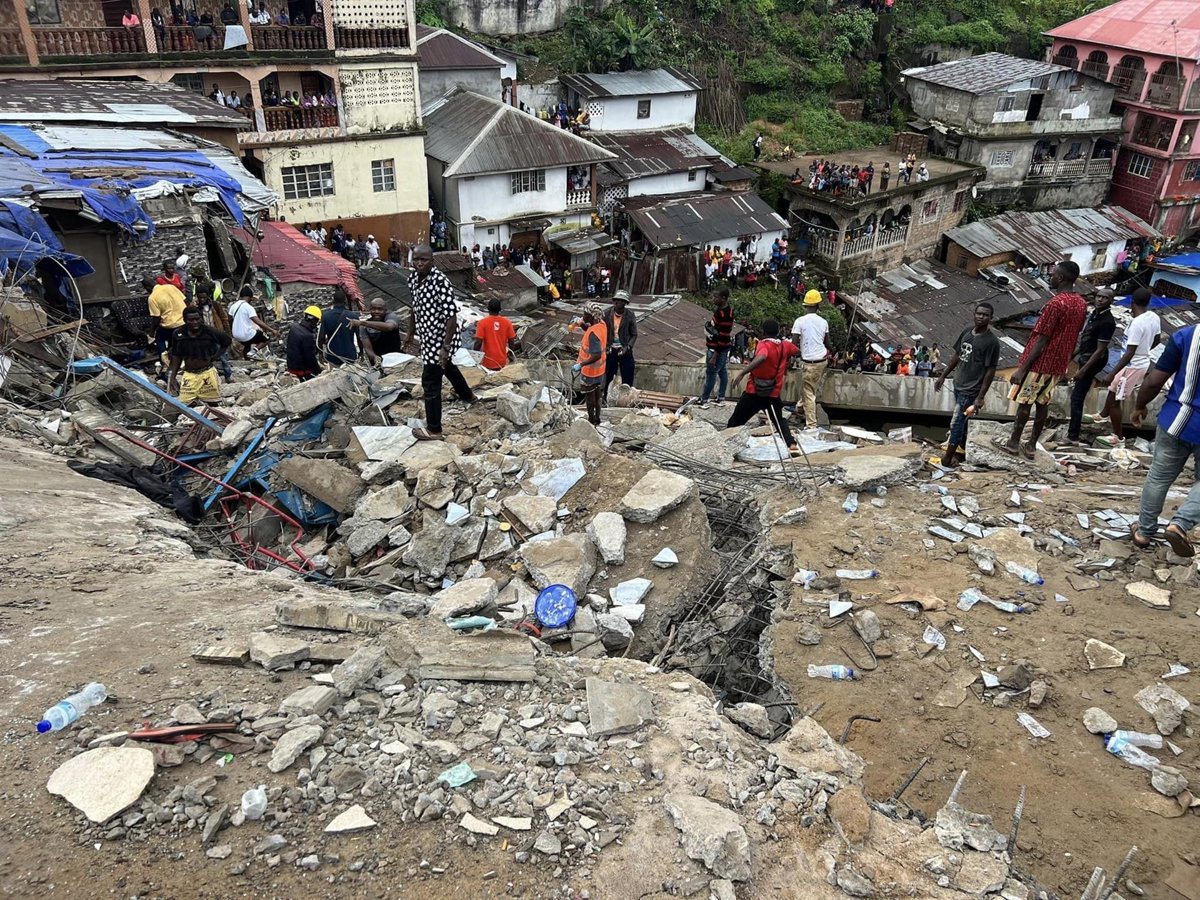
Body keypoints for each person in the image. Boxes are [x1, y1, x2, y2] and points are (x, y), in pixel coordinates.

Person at [1005, 261, 1088, 459]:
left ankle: (1014, 442)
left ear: (1060, 278)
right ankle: (1032, 444)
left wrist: (1022, 368)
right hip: (1058, 364)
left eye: (1053, 275)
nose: (1051, 277)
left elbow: (1042, 337)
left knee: (1025, 402)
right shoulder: (1081, 303)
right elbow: (1076, 334)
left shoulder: (1055, 304)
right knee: (1042, 403)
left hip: (1040, 362)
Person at [1130, 323, 1200, 556]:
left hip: (1176, 420)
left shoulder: (1187, 336)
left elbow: (1154, 380)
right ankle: (1179, 525)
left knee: (1159, 477)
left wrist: (1140, 406)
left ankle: (1144, 532)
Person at [405, 244, 477, 440]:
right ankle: (468, 396)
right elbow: (415, 307)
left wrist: (445, 348)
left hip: (441, 338)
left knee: (430, 381)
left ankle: (434, 429)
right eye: (416, 259)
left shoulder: (440, 281)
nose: (419, 263)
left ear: (432, 261)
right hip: (427, 337)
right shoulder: (412, 279)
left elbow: (451, 317)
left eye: (424, 260)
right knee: (448, 368)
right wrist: (410, 333)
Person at [934, 302, 1000, 468]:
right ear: (974, 314)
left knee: (956, 423)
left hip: (971, 390)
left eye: (985, 315)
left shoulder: (991, 342)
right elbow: (957, 355)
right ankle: (962, 451)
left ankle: (947, 460)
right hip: (959, 383)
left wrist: (980, 397)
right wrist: (943, 376)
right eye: (979, 314)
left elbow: (990, 370)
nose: (981, 317)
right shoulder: (966, 332)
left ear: (990, 318)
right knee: (963, 422)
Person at [1096, 288, 1161, 448]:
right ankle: (1103, 415)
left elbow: (1129, 353)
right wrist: (1144, 351)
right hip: (1138, 362)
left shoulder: (1136, 324)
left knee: (1116, 400)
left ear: (1132, 302)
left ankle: (1118, 437)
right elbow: (1157, 340)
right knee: (1112, 391)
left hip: (1132, 366)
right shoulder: (1153, 317)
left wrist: (1112, 372)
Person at [727, 319, 799, 452]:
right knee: (779, 421)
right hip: (773, 391)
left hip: (754, 391)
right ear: (778, 332)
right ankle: (791, 444)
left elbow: (762, 357)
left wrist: (742, 372)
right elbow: (797, 351)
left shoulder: (763, 344)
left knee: (736, 420)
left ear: (763, 332)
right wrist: (786, 361)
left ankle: (726, 444)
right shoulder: (785, 346)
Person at [1065, 288, 1116, 444]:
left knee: (1077, 396)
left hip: (1094, 360)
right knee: (1077, 395)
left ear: (1111, 301)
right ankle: (1073, 433)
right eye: (1099, 296)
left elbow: (1100, 350)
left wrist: (1083, 369)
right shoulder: (1094, 314)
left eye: (1104, 298)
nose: (1100, 299)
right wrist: (1073, 354)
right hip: (1086, 355)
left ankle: (1072, 436)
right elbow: (1087, 339)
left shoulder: (1107, 321)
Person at [167, 307, 231, 405]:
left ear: (201, 318)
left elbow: (226, 341)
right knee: (185, 404)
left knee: (213, 404)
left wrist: (215, 356)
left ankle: (212, 420)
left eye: (197, 319)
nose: (195, 322)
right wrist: (172, 377)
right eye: (191, 320)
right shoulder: (178, 334)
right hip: (189, 375)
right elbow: (176, 356)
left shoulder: (209, 331)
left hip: (207, 373)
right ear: (184, 320)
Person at [790, 289, 831, 429]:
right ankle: (800, 407)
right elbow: (828, 343)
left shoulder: (799, 321)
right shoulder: (823, 322)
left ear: (805, 305)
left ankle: (811, 425)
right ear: (818, 305)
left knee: (809, 392)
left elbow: (793, 344)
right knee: (809, 386)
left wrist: (789, 360)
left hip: (810, 362)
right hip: (822, 361)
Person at [572, 303, 607, 426]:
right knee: (598, 394)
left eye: (585, 314)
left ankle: (591, 421)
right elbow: (590, 330)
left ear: (592, 316)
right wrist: (581, 324)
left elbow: (596, 354)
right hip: (600, 369)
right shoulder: (601, 325)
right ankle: (597, 418)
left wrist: (580, 365)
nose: (583, 316)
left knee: (590, 397)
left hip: (590, 372)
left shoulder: (593, 333)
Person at [699, 288, 735, 406]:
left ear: (723, 298)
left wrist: (715, 355)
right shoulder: (723, 310)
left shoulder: (724, 314)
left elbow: (724, 336)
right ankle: (721, 397)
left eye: (716, 297)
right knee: (722, 371)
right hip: (720, 348)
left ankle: (704, 398)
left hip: (716, 349)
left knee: (711, 373)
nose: (713, 299)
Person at [603, 290, 637, 399]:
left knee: (628, 375)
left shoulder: (630, 315)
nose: (619, 304)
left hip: (624, 349)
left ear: (625, 303)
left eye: (622, 301)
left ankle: (627, 399)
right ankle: (606, 398)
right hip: (611, 349)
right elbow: (602, 332)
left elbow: (634, 334)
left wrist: (628, 347)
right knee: (609, 376)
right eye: (618, 301)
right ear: (614, 302)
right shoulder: (607, 314)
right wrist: (606, 346)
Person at [228, 285, 278, 358]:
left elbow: (229, 319)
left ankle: (247, 359)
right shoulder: (248, 307)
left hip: (236, 335)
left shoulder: (233, 306)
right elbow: (258, 322)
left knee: (247, 344)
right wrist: (272, 330)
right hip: (246, 334)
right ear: (250, 297)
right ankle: (254, 351)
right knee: (266, 339)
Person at [145, 274, 187, 361]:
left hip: (170, 325)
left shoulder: (152, 297)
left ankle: (164, 360)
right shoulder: (171, 287)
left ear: (147, 288)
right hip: (184, 322)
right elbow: (185, 300)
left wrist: (152, 332)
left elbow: (156, 318)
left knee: (159, 339)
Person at [473, 298, 519, 371]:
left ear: (488, 309)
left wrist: (474, 357)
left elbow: (478, 342)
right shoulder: (507, 322)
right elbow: (511, 340)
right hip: (502, 362)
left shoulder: (482, 323)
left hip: (487, 362)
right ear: (500, 309)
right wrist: (510, 354)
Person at [319, 287, 361, 366]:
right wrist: (361, 352)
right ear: (345, 301)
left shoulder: (326, 316)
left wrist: (321, 354)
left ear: (333, 301)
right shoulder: (353, 316)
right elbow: (359, 337)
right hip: (350, 355)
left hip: (333, 355)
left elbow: (321, 337)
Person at [358, 297, 404, 364]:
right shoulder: (364, 327)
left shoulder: (390, 317)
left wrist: (363, 323)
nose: (376, 312)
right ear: (370, 309)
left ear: (385, 310)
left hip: (396, 359)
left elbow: (389, 327)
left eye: (380, 309)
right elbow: (367, 348)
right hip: (378, 361)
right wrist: (375, 358)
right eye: (373, 309)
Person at [287, 307, 322, 381]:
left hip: (291, 367)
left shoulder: (294, 328)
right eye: (317, 321)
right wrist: (319, 371)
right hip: (301, 371)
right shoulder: (307, 335)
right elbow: (310, 357)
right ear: (314, 320)